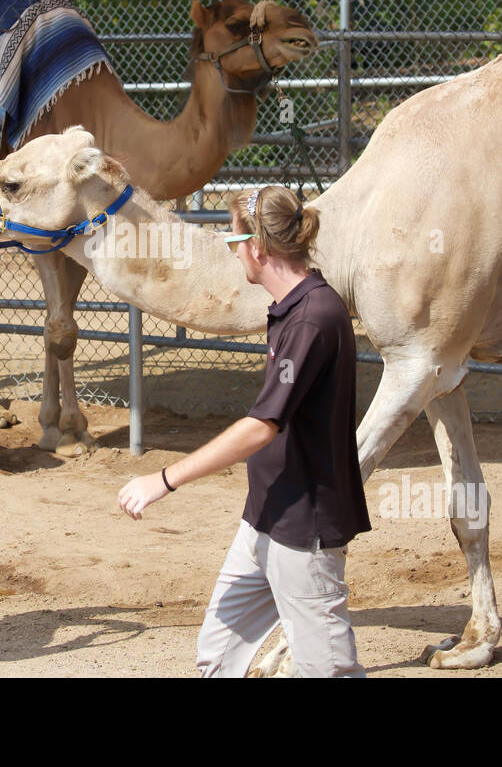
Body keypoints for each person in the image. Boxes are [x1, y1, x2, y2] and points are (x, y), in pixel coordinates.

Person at [117, 185, 370, 677]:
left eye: (234, 241)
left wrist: (163, 480)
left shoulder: (314, 317)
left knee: (329, 671)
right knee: (217, 656)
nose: (233, 251)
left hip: (303, 527)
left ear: (257, 247)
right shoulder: (291, 308)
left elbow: (262, 427)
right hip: (265, 516)